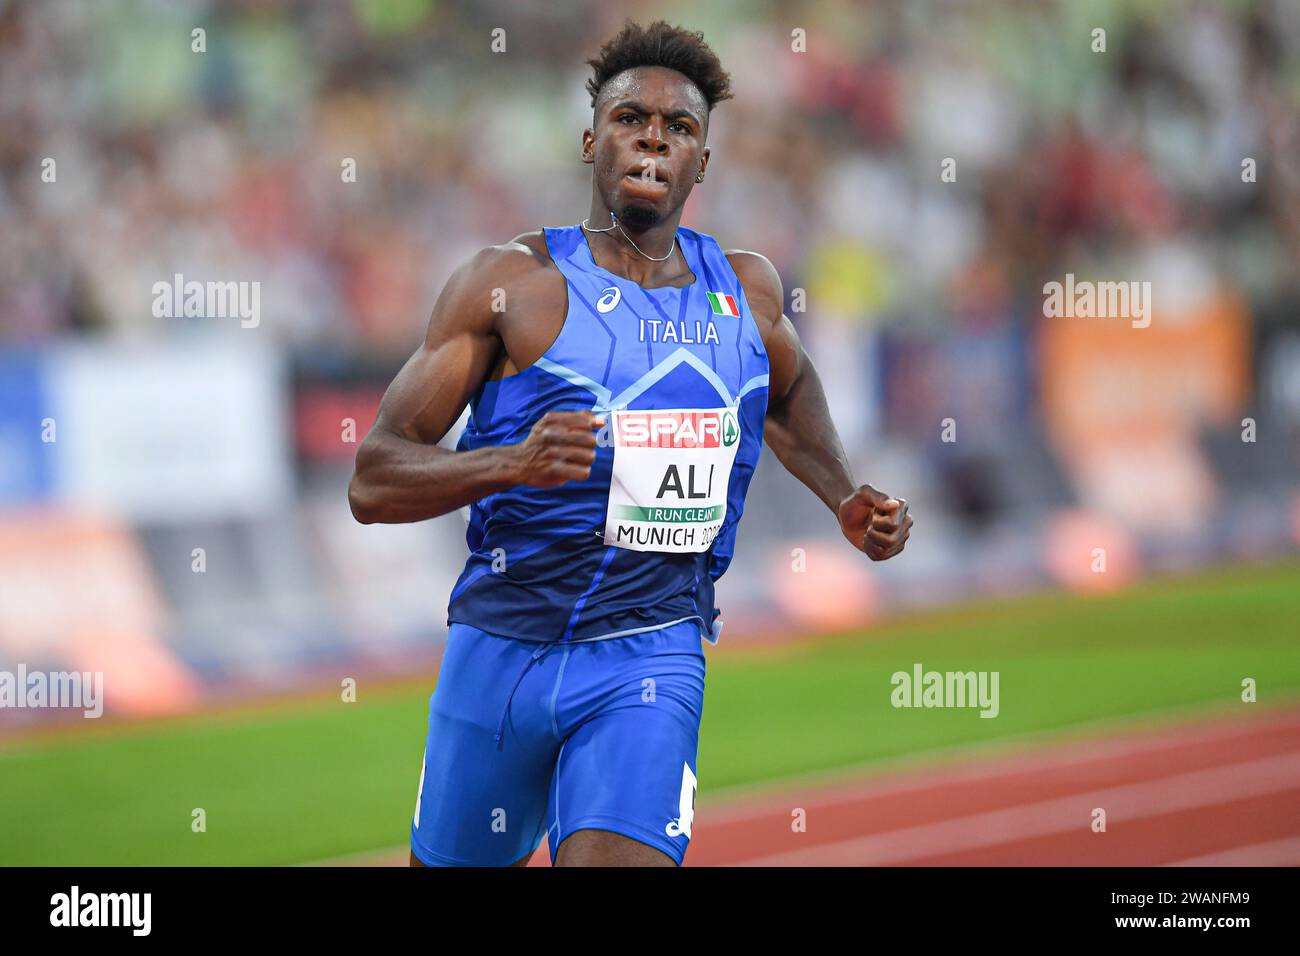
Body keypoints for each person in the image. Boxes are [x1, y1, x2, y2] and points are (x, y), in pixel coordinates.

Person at [348, 19, 912, 867]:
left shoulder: (746, 293)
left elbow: (787, 394)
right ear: (590, 140)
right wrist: (511, 462)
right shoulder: (512, 286)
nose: (654, 135)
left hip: (651, 655)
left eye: (680, 126)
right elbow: (373, 480)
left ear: (703, 162)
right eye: (630, 118)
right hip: (501, 650)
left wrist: (842, 494)